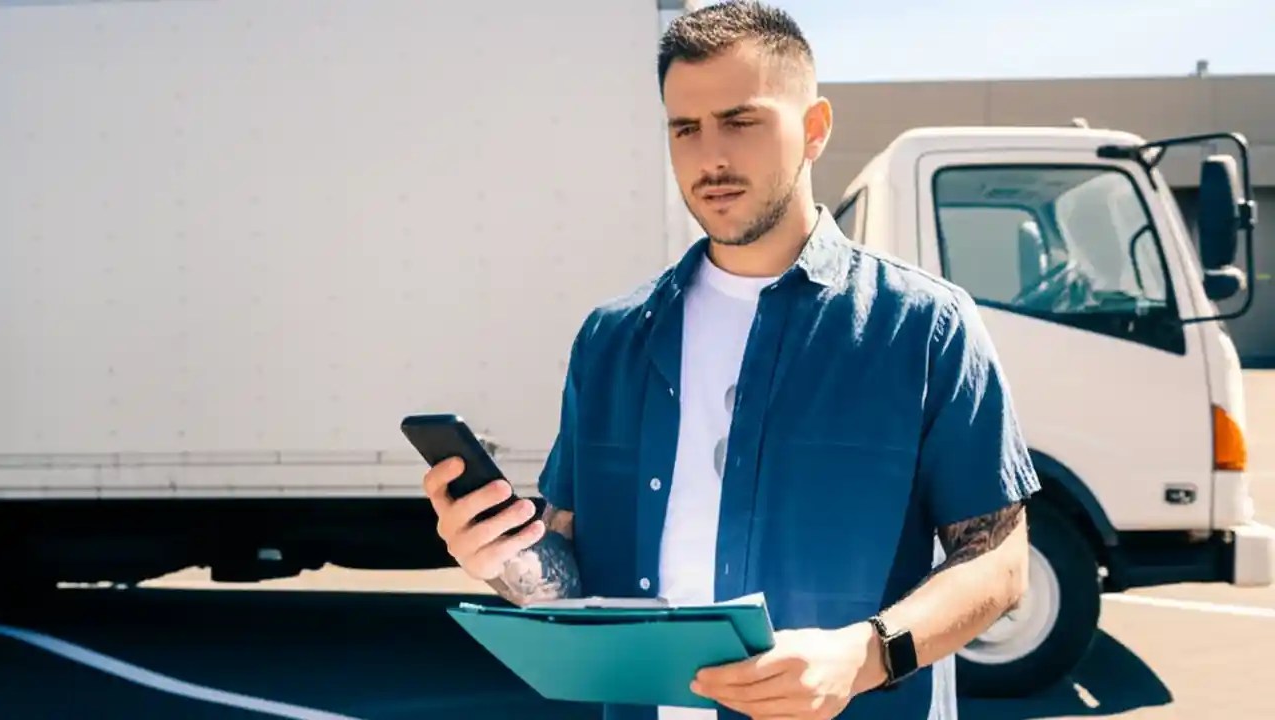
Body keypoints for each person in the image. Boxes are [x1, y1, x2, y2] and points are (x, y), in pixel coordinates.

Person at [424, 2, 1040, 718]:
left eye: (741, 122)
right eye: (685, 129)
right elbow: (568, 576)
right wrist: (498, 557)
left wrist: (865, 655)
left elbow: (999, 562)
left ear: (814, 129)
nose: (710, 156)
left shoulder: (923, 327)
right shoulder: (612, 339)